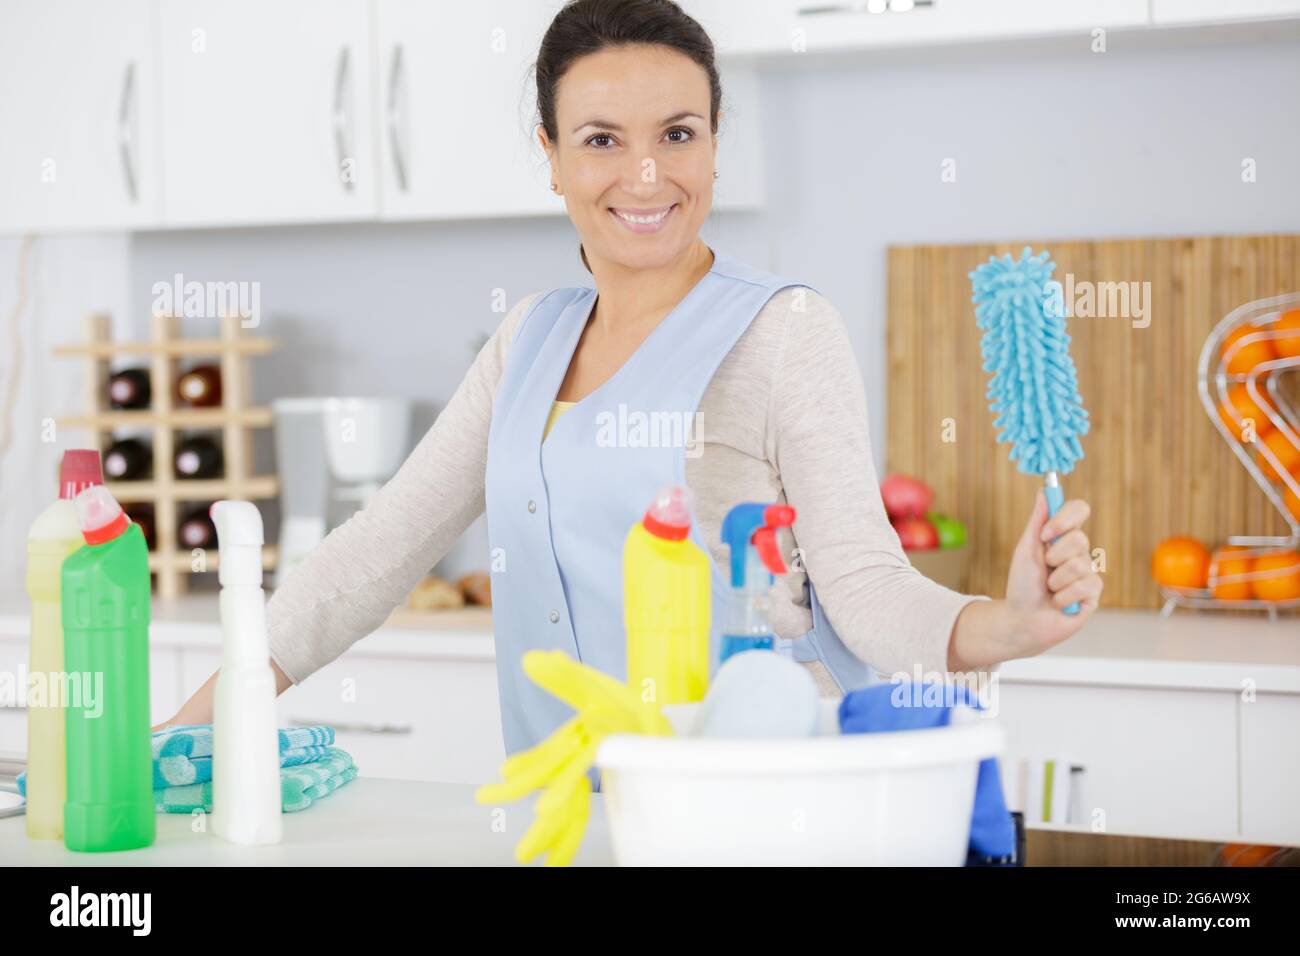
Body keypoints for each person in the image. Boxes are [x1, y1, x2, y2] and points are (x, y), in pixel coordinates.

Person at [164, 0, 1103, 754]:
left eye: (679, 133)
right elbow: (376, 553)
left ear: (717, 140)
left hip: (762, 796)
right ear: (552, 157)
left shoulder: (785, 330)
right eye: (602, 139)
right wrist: (195, 722)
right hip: (576, 806)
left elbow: (864, 587)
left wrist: (1009, 624)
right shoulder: (528, 339)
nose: (646, 175)